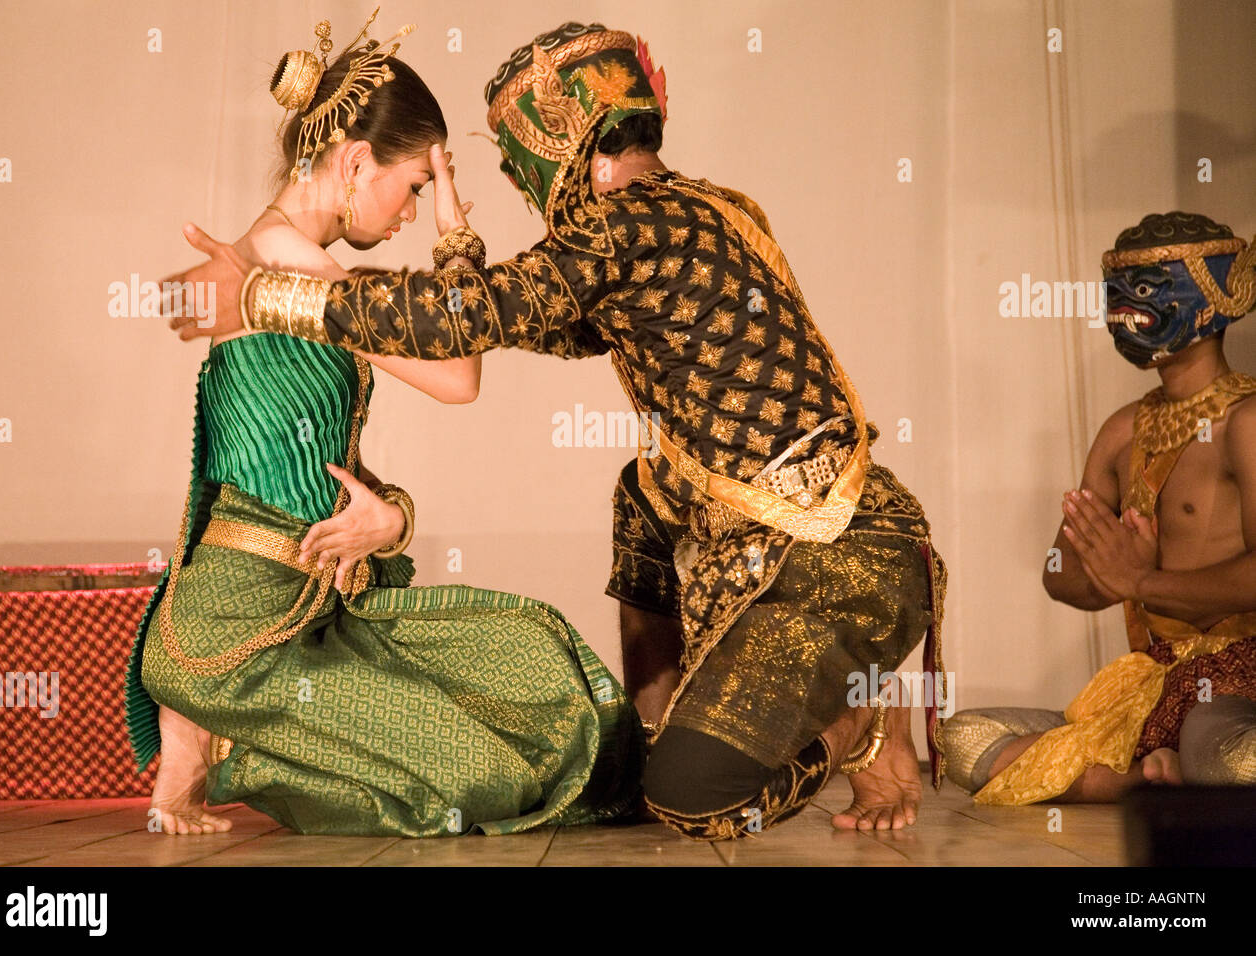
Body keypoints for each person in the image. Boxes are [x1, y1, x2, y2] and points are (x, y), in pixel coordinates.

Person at [165, 20, 948, 838]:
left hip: (829, 562)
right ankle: (668, 732)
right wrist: (456, 249)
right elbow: (497, 325)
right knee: (640, 497)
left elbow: (466, 322)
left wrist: (262, 296)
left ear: (569, 156)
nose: (534, 193)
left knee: (696, 801)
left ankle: (859, 726)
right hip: (782, 545)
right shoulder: (708, 209)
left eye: (523, 169)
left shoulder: (625, 227)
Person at [128, 13, 644, 837]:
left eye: (428, 197)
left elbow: (330, 462)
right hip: (243, 631)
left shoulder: (297, 261)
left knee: (536, 665)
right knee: (486, 774)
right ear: (357, 161)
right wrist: (456, 241)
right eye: (414, 186)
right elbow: (459, 376)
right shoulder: (289, 260)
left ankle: (209, 743)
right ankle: (213, 739)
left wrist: (392, 517)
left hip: (306, 606)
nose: (414, 211)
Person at [944, 211, 1256, 803]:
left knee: (1235, 763)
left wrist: (1143, 578)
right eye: (1115, 292)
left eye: (1144, 289)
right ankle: (1142, 780)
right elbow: (1059, 577)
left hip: (1240, 682)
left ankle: (1171, 773)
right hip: (1149, 683)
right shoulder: (1122, 431)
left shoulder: (1247, 422)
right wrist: (1108, 575)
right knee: (963, 739)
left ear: (1216, 296)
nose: (1122, 308)